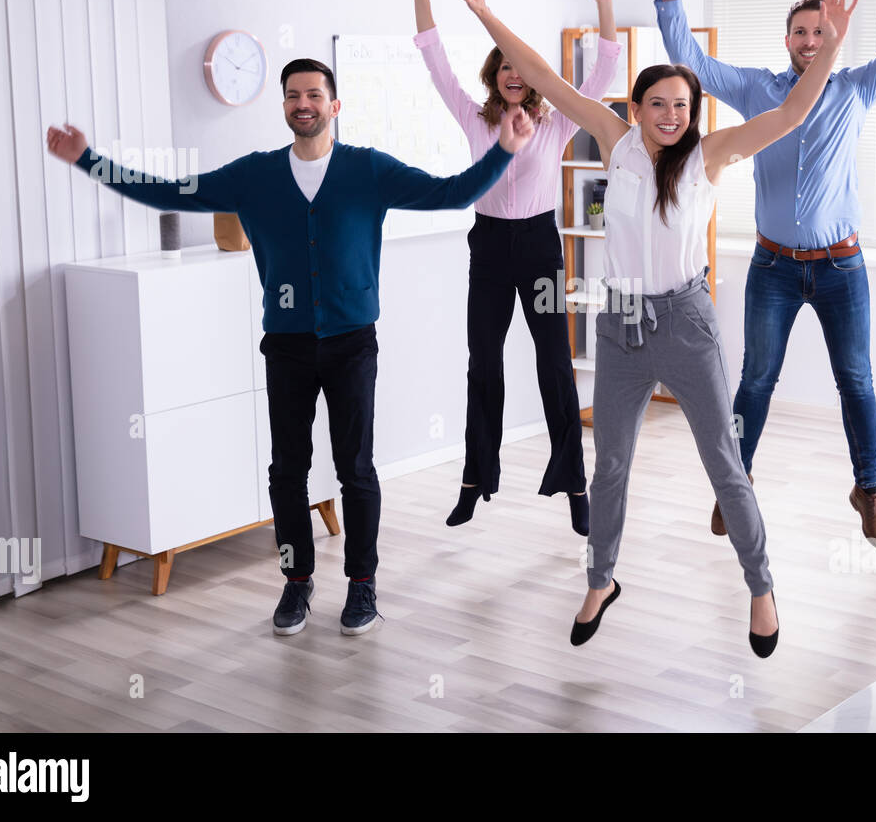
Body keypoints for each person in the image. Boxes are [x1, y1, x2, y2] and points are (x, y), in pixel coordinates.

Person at [45, 58, 534, 637]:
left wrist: (503, 150)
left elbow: (452, 195)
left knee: (356, 468)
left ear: (334, 105)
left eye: (314, 94)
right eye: (293, 95)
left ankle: (362, 585)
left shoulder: (367, 170)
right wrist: (87, 159)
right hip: (287, 346)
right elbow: (166, 193)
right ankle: (295, 582)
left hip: (353, 342)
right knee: (287, 471)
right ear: (284, 107)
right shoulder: (252, 176)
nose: (303, 103)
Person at [460, 0, 853, 657]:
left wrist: (831, 48)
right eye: (659, 105)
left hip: (685, 321)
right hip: (619, 327)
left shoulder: (713, 154)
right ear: (635, 110)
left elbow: (795, 110)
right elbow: (545, 78)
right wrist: (486, 16)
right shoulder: (614, 142)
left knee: (724, 463)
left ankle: (760, 586)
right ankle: (601, 578)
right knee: (609, 464)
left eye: (682, 106)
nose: (672, 116)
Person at [654, 0, 876, 550]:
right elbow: (695, 67)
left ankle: (868, 491)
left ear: (833, 37)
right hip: (774, 269)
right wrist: (671, 2)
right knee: (756, 380)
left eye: (820, 31)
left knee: (857, 380)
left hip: (842, 267)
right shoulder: (760, 91)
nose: (810, 41)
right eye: (800, 32)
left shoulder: (855, 90)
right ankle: (733, 487)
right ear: (786, 40)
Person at [403, 0, 623, 535]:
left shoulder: (555, 124)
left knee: (555, 363)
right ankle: (477, 479)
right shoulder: (475, 118)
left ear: (530, 79)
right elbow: (434, 59)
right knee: (484, 364)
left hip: (541, 249)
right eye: (504, 68)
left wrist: (604, 4)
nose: (513, 75)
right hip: (490, 248)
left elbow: (603, 71)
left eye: (521, 69)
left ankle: (574, 484)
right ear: (495, 78)